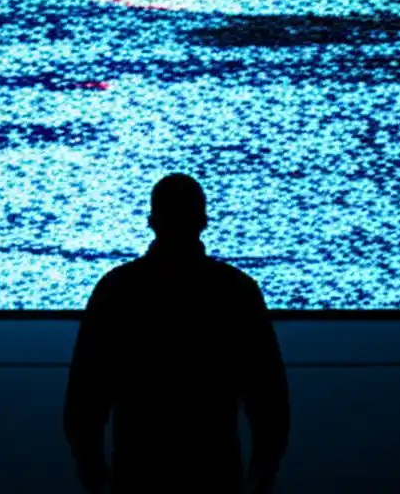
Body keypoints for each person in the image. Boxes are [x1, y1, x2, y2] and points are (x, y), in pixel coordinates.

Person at [64, 174, 290, 494]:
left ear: (151, 222)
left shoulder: (116, 288)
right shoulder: (237, 289)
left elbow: (84, 396)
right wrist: (261, 472)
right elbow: (269, 396)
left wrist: (93, 472)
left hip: (138, 470)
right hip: (215, 470)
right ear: (204, 221)